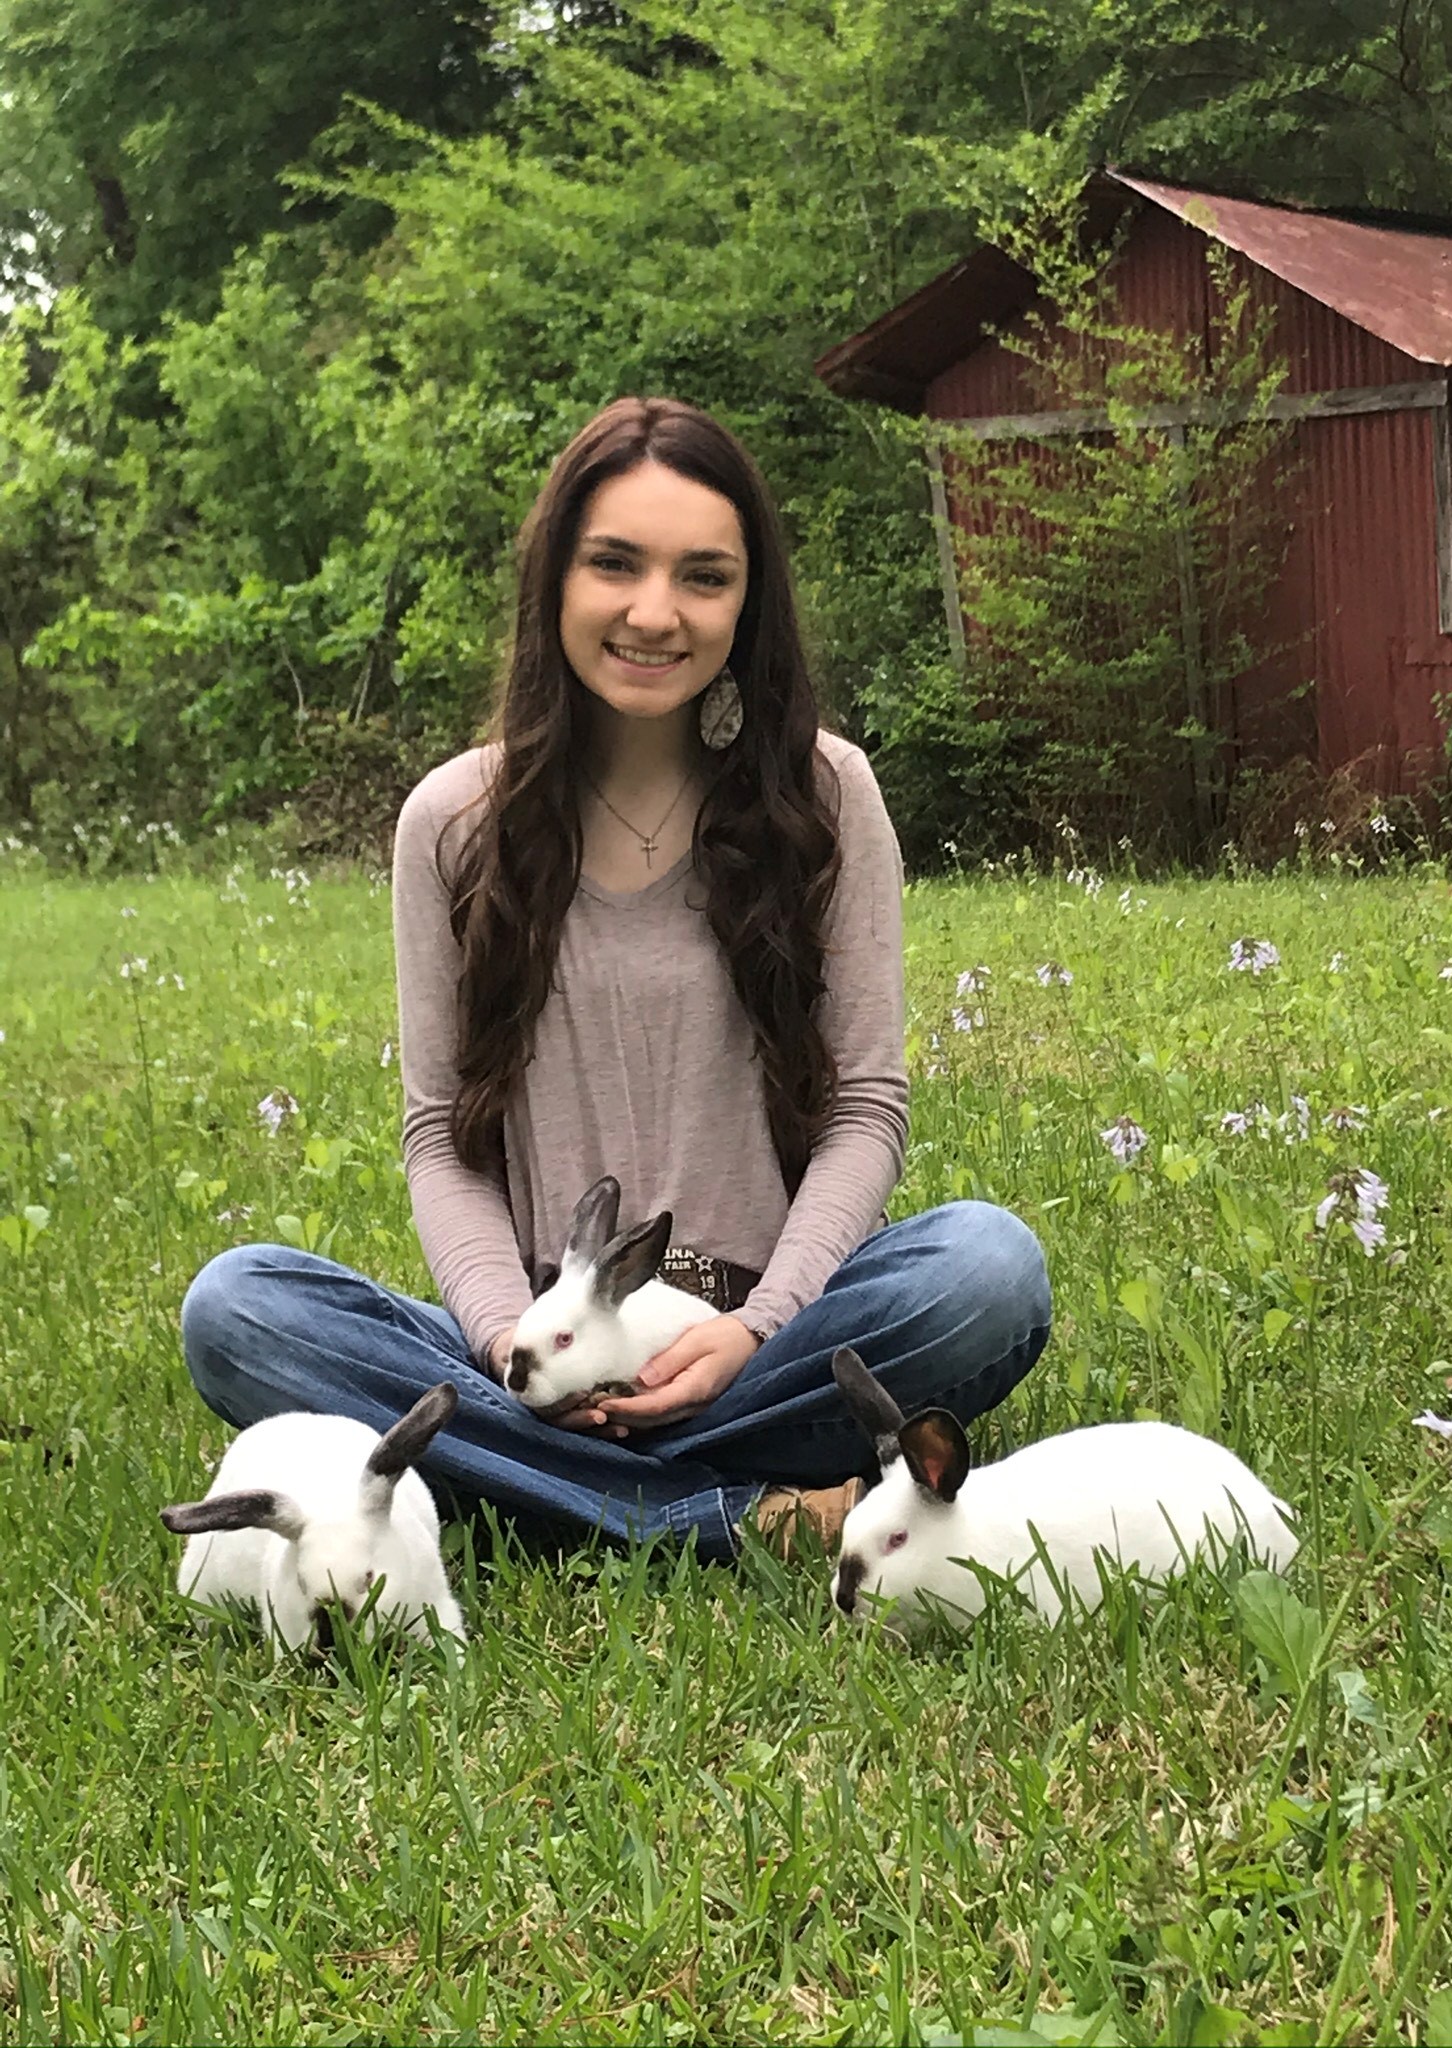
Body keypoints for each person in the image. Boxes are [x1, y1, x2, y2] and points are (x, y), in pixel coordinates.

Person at [180, 396, 1052, 1564]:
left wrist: (757, 1327)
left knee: (986, 1269)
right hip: (541, 1345)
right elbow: (441, 1134)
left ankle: (533, 1493)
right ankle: (736, 1516)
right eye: (614, 564)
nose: (655, 611)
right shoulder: (451, 822)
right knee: (240, 1309)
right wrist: (504, 1339)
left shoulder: (826, 797)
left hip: (763, 1347)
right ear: (555, 582)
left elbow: (865, 1110)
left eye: (703, 576)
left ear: (748, 606)